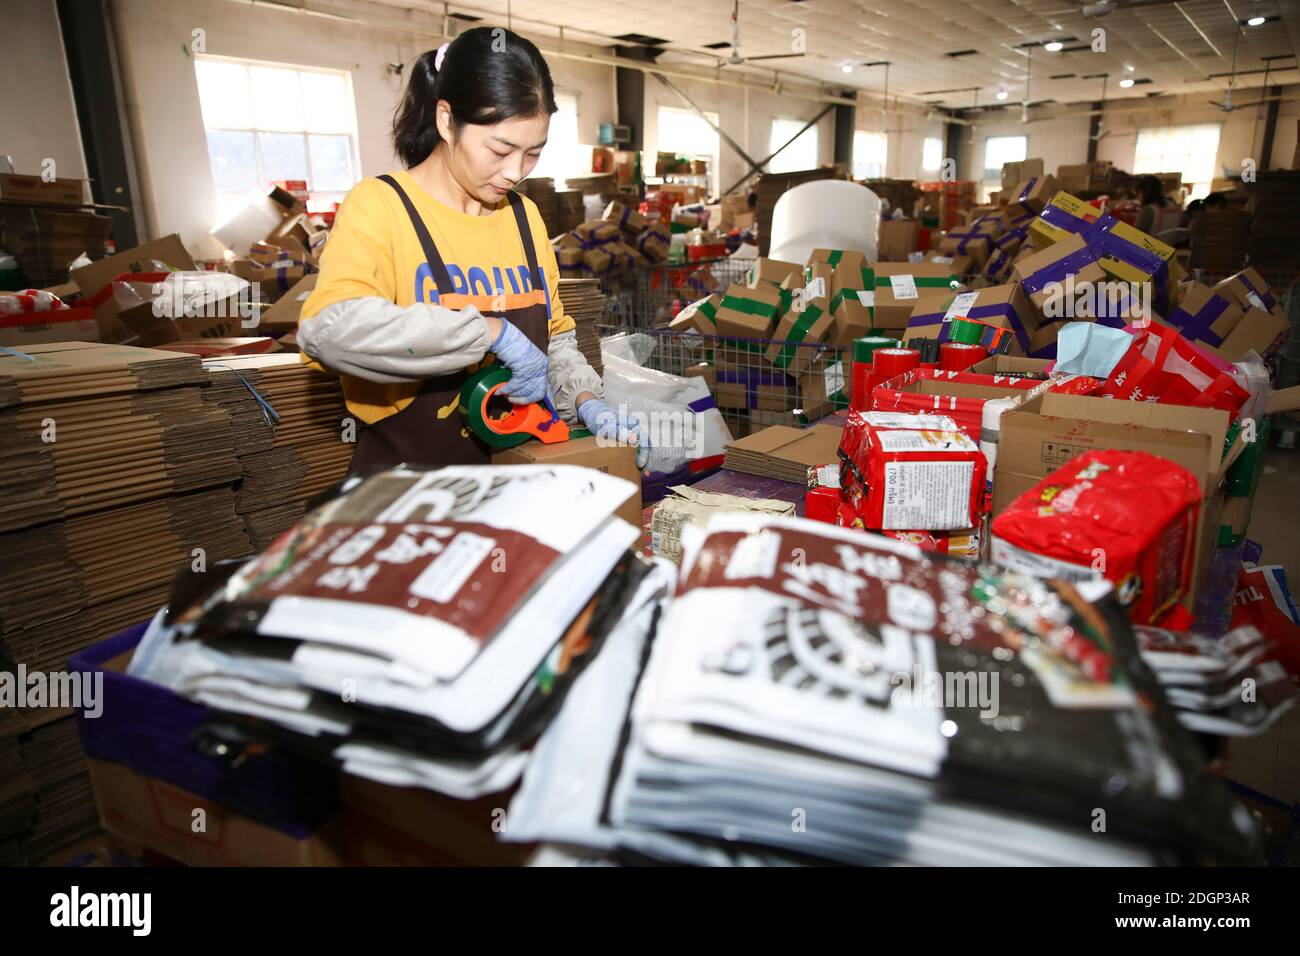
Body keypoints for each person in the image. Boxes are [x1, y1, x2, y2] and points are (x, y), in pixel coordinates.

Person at [297, 27, 643, 475]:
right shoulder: (381, 206)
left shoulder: (524, 218)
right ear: (446, 121)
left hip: (514, 481)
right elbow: (327, 330)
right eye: (500, 149)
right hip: (410, 497)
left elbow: (554, 343)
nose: (515, 172)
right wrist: (490, 333)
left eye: (533, 153)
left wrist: (587, 401)